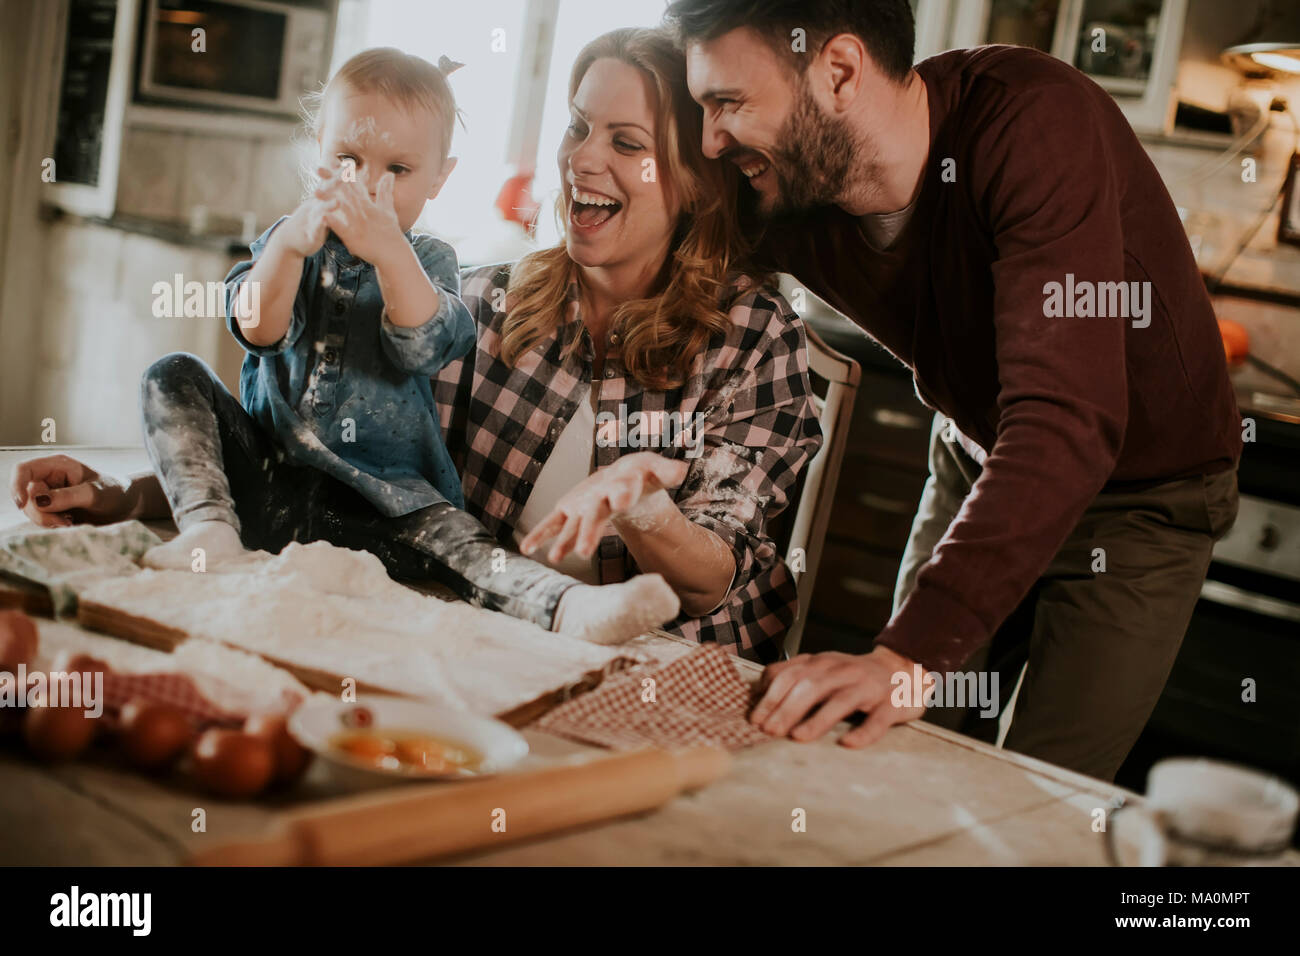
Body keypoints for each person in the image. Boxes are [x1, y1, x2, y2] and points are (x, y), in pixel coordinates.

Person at [13, 28, 823, 662]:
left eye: (626, 143)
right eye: (578, 126)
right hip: (494, 644)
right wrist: (130, 495)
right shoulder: (486, 302)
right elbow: (336, 474)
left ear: (691, 181)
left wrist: (641, 505)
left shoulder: (753, 338)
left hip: (676, 676)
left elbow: (718, 577)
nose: (580, 158)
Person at [667, 0, 1241, 780]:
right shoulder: (780, 183)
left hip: (1143, 504)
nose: (712, 139)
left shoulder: (1034, 123)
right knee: (890, 752)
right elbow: (655, 243)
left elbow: (1066, 421)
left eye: (727, 104)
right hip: (978, 458)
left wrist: (904, 655)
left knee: (1034, 796)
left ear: (838, 71)